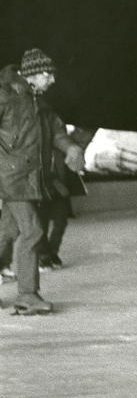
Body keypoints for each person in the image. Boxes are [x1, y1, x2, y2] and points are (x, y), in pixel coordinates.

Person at [0, 49, 85, 314]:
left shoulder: (39, 103)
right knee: (33, 231)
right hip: (11, 177)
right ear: (33, 74)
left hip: (28, 178)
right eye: (48, 75)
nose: (53, 80)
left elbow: (57, 131)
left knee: (7, 232)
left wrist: (71, 147)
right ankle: (27, 296)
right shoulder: (5, 97)